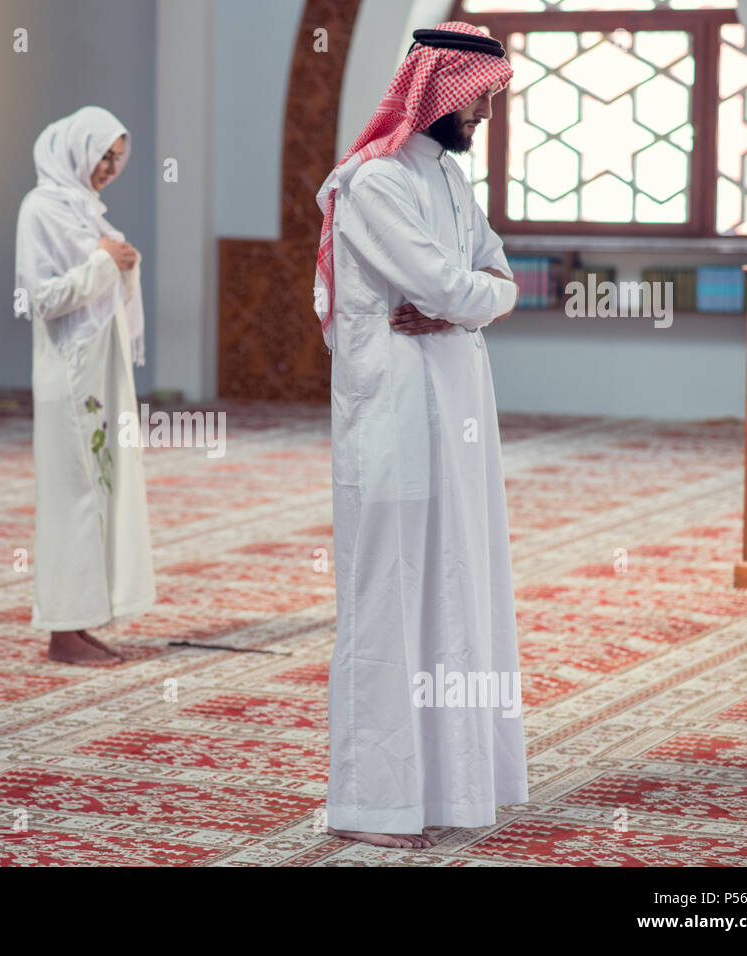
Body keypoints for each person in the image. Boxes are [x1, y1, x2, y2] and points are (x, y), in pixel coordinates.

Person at [313, 22, 530, 849]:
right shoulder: (374, 186)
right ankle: (376, 803)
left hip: (459, 418)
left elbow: (497, 280)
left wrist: (462, 300)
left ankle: (450, 785)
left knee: (457, 592)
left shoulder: (446, 180)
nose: (481, 116)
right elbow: (446, 281)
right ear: (437, 89)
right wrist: (461, 296)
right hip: (396, 424)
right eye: (476, 99)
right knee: (391, 605)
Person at [13, 106, 155, 666]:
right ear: (77, 148)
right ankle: (61, 630)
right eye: (104, 155)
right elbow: (41, 299)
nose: (111, 167)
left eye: (119, 158)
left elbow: (99, 282)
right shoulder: (41, 209)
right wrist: (103, 261)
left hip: (99, 372)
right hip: (69, 378)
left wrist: (119, 261)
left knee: (100, 494)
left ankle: (83, 618)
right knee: (73, 501)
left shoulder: (85, 211)